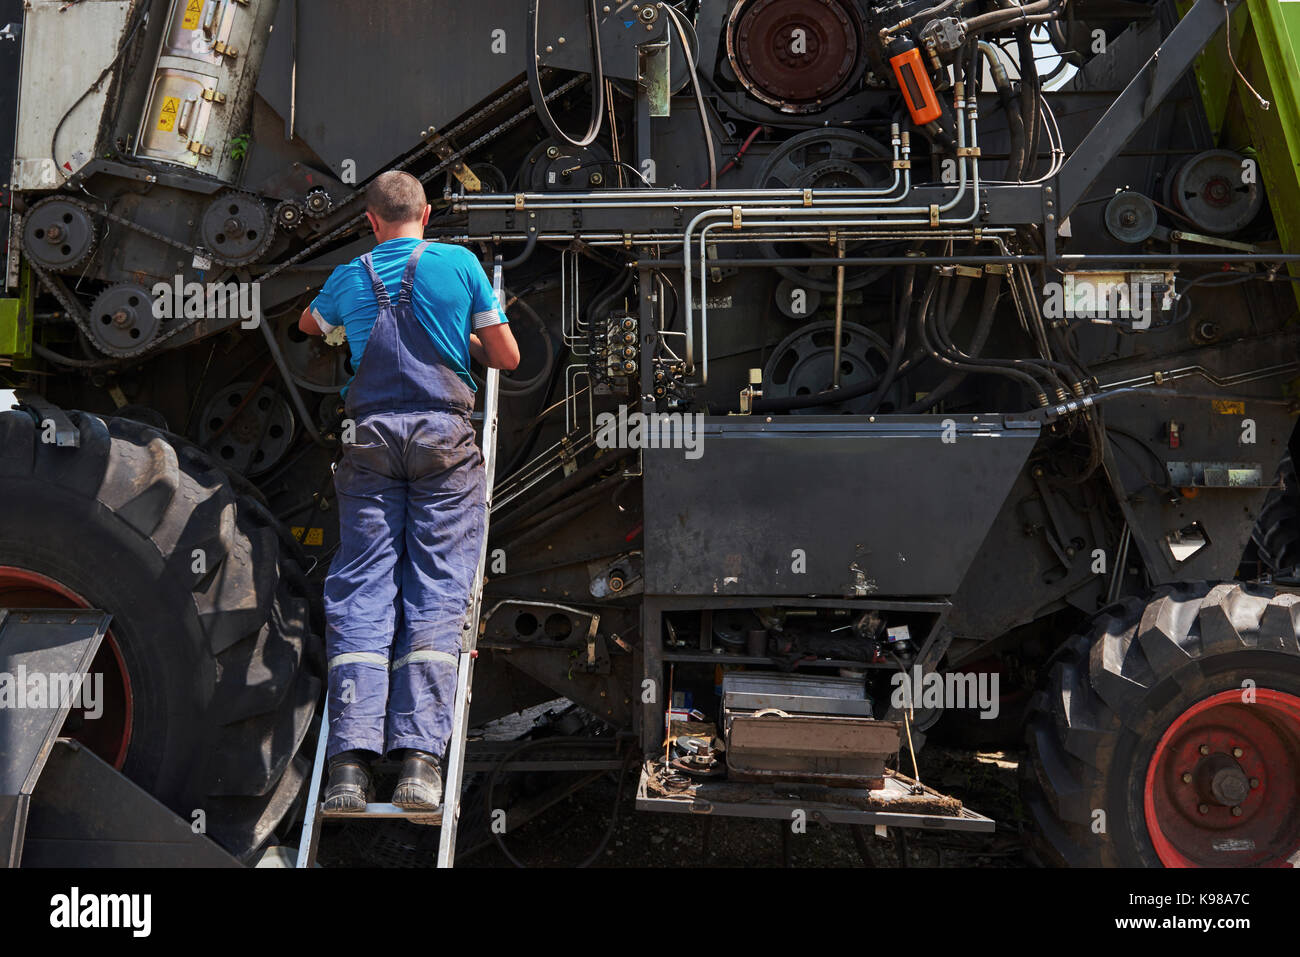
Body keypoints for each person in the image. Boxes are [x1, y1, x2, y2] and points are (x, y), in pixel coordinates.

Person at [299, 170, 519, 811]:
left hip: (369, 444)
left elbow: (311, 325)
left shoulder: (351, 274)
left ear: (370, 220)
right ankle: (420, 763)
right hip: (443, 446)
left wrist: (344, 323)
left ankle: (347, 767)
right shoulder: (460, 263)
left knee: (363, 590)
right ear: (427, 213)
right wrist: (463, 337)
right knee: (435, 590)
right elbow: (507, 359)